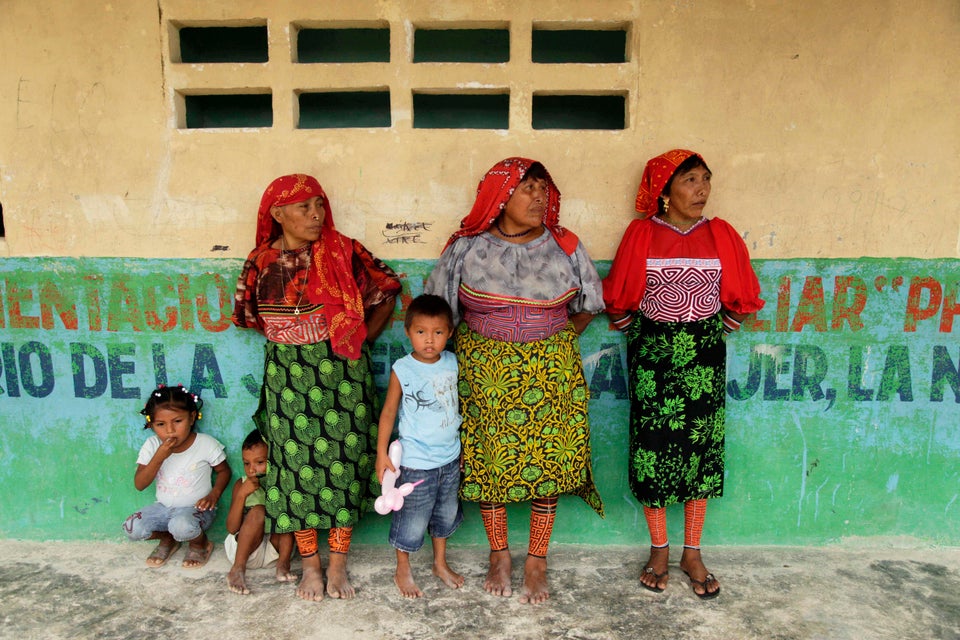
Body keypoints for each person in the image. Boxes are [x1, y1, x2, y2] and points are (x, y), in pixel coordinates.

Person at [425, 157, 605, 605]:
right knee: (489, 460)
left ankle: (537, 559)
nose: (539, 196)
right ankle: (499, 554)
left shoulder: (565, 245)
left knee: (550, 458)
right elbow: (439, 311)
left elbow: (588, 305)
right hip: (486, 373)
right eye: (528, 188)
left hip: (552, 371)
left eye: (543, 188)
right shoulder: (467, 248)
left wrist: (547, 339)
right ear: (501, 196)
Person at [602, 149, 765, 599]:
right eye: (690, 180)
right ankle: (660, 549)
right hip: (653, 361)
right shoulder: (642, 234)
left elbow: (742, 298)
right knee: (652, 451)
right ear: (664, 191)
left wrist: (708, 336)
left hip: (704, 362)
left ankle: (692, 552)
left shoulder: (720, 234)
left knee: (701, 453)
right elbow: (618, 301)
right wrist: (647, 339)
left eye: (705, 179)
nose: (702, 189)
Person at [233, 173, 401, 602]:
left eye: (320, 205)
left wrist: (357, 342)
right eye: (304, 207)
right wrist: (295, 339)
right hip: (286, 376)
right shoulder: (260, 261)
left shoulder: (343, 250)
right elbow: (253, 319)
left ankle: (338, 564)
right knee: (294, 470)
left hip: (341, 373)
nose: (316, 214)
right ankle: (310, 565)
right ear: (278, 213)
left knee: (343, 464)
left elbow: (387, 290)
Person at [375, 294, 464, 598]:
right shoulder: (403, 368)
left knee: (444, 515)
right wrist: (381, 453)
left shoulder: (452, 362)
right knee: (410, 520)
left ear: (449, 333)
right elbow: (389, 411)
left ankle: (440, 563)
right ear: (408, 331)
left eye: (438, 332)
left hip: (449, 459)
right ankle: (402, 568)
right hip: (415, 463)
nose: (429, 340)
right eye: (421, 332)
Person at [122, 384, 230, 569]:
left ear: (192, 417)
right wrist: (159, 456)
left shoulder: (205, 444)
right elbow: (140, 484)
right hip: (163, 508)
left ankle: (199, 544)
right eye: (161, 424)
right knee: (131, 527)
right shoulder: (152, 445)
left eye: (177, 421)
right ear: (151, 424)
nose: (170, 430)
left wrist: (214, 494)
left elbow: (224, 471)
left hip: (196, 510)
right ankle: (168, 539)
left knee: (181, 526)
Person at [224, 429, 295, 594]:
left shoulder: (285, 483)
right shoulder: (241, 484)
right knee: (259, 511)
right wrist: (242, 494)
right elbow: (232, 528)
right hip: (246, 552)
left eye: (260, 462)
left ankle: (283, 565)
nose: (251, 470)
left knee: (286, 515)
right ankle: (238, 569)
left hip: (275, 552)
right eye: (246, 463)